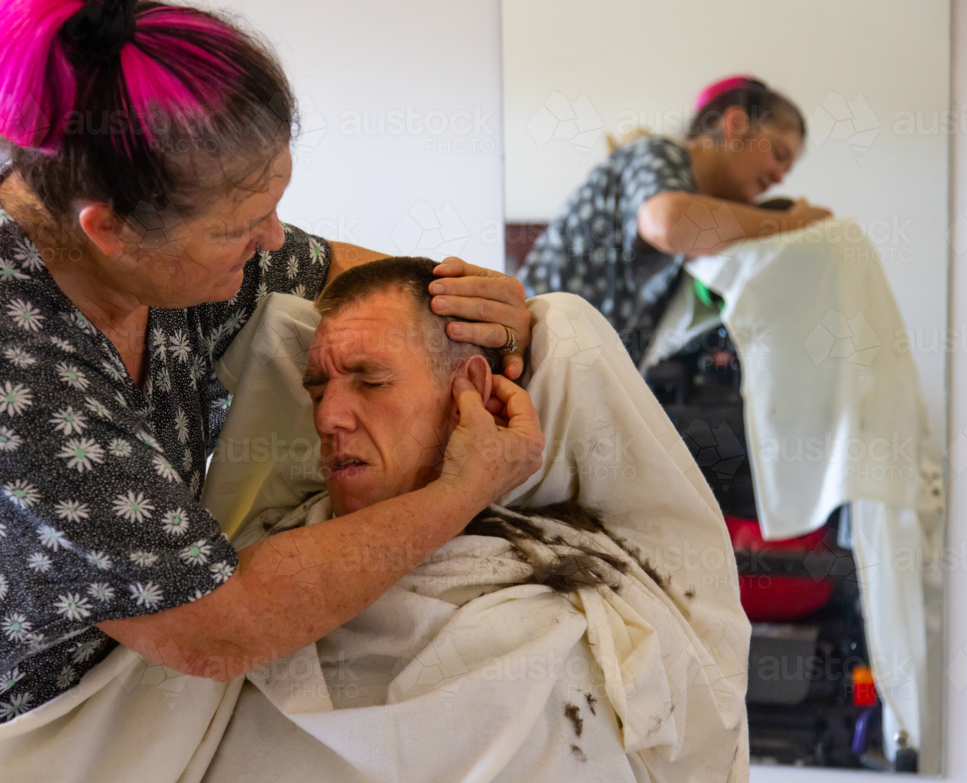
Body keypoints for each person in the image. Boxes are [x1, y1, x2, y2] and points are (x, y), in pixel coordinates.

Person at [0, 0, 539, 723]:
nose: (275, 239)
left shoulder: (166, 248)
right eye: (243, 227)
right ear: (111, 231)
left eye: (373, 378)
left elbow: (328, 264)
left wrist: (469, 300)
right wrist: (466, 487)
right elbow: (221, 628)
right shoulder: (24, 373)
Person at [189, 257, 749, 782]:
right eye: (316, 391)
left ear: (472, 391)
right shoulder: (245, 565)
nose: (328, 417)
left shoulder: (551, 633)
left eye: (370, 381)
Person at [517, 75, 833, 364]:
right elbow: (668, 223)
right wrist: (793, 222)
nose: (779, 178)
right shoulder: (657, 153)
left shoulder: (687, 195)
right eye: (779, 154)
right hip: (527, 353)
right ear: (736, 125)